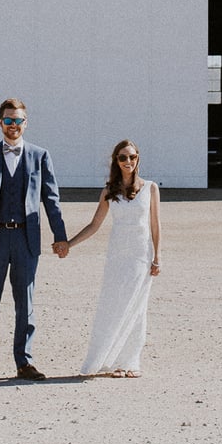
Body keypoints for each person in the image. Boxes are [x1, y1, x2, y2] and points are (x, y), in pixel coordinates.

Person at [0, 97, 68, 383]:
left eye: (18, 120)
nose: (13, 125)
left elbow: (51, 199)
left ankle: (24, 362)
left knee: (25, 302)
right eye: (8, 120)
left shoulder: (39, 155)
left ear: (25, 123)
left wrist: (61, 236)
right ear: (0, 123)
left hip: (26, 237)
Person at [65, 139, 161, 378]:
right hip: (118, 255)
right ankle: (110, 360)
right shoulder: (109, 191)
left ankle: (130, 361)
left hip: (141, 254)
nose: (128, 161)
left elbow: (155, 225)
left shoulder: (151, 188)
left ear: (138, 158)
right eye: (122, 157)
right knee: (113, 304)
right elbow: (94, 224)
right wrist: (69, 244)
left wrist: (157, 257)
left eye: (132, 157)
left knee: (137, 306)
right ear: (116, 161)